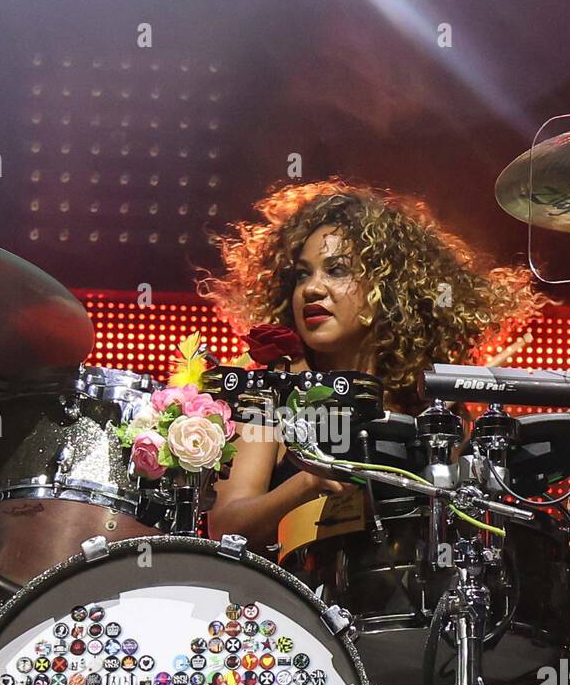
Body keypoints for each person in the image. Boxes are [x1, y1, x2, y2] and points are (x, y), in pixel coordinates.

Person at [199, 179, 548, 547]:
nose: (312, 289)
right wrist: (309, 482)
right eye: (303, 274)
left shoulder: (432, 406)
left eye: (336, 270)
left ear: (387, 290)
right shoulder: (270, 393)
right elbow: (226, 525)